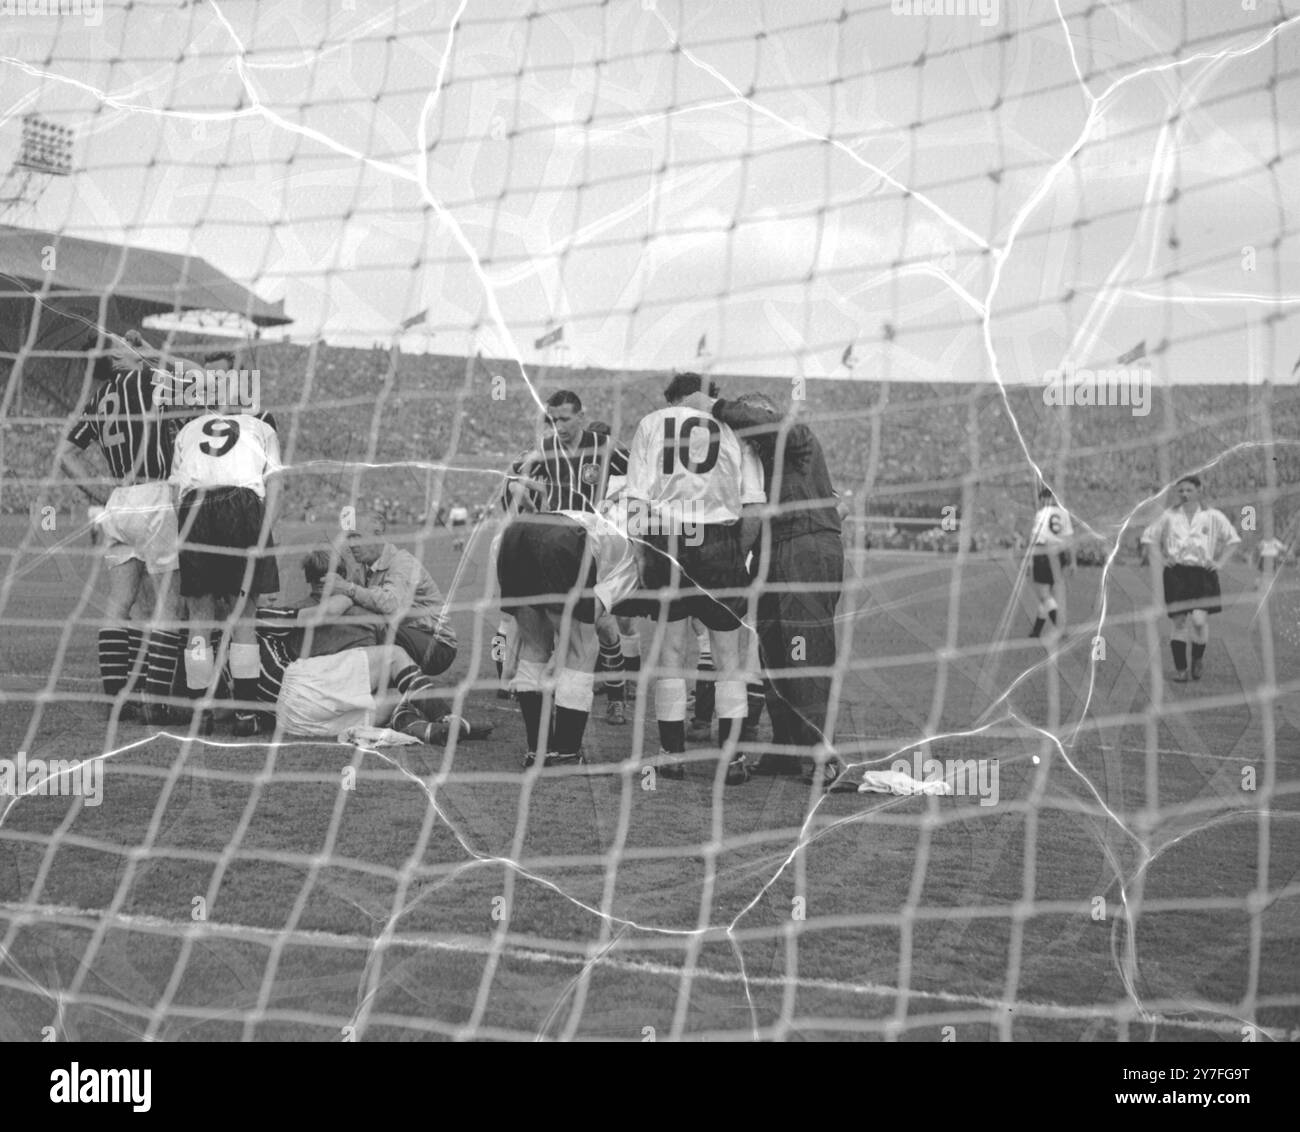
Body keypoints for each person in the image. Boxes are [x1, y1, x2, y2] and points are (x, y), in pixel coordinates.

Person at [615, 375, 766, 785]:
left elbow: (636, 500)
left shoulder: (652, 422)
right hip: (719, 541)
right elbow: (753, 506)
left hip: (668, 540)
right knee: (727, 657)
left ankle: (671, 755)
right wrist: (737, 552)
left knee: (671, 651)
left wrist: (643, 552)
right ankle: (732, 760)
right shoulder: (732, 426)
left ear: (671, 398)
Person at [697, 389, 846, 787]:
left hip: (804, 549)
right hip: (775, 552)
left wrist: (715, 408)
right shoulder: (762, 458)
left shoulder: (796, 436)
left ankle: (820, 756)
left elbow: (767, 426)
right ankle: (785, 750)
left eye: (745, 422)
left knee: (804, 652)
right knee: (774, 654)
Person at [55, 330, 204, 725]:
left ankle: (118, 699)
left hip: (120, 500)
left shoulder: (99, 397)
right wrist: (151, 353)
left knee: (119, 603)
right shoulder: (153, 378)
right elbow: (199, 376)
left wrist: (100, 494)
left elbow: (66, 455)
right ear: (117, 355)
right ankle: (158, 703)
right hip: (157, 494)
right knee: (169, 606)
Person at [508, 395, 636, 725]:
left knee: (604, 625)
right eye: (553, 420)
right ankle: (552, 701)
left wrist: (615, 501)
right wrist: (535, 509)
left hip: (590, 544)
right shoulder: (545, 447)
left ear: (582, 415)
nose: (559, 427)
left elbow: (642, 476)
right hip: (554, 546)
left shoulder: (605, 446)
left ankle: (617, 695)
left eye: (565, 419)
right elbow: (513, 481)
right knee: (548, 627)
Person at [497, 509, 640, 767]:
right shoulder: (633, 566)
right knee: (584, 649)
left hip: (515, 534)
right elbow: (588, 617)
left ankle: (537, 752)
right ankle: (566, 753)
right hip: (562, 542)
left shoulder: (610, 529)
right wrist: (561, 653)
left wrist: (510, 664)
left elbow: (521, 624)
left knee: (534, 647)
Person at [171, 409, 283, 736]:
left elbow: (172, 492)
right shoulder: (262, 427)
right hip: (242, 504)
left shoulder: (188, 428)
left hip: (194, 509)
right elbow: (277, 487)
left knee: (199, 617)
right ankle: (246, 716)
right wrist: (263, 536)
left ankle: (200, 716)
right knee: (244, 616)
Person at [324, 511, 458, 677]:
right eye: (349, 538)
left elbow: (391, 605)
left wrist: (349, 588)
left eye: (357, 537)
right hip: (408, 635)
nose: (351, 545)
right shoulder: (362, 568)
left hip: (437, 646)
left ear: (378, 535)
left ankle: (400, 687)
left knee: (376, 625)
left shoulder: (402, 562)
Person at [1140, 475, 1241, 683]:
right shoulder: (1168, 515)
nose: (1185, 494)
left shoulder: (1212, 515)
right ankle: (1181, 670)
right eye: (1181, 491)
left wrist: (1220, 563)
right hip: (1176, 574)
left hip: (1203, 573)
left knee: (1198, 620)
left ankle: (1197, 659)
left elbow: (1233, 540)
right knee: (1179, 622)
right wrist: (1160, 559)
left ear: (1199, 490)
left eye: (1189, 490)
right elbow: (1149, 538)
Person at [1028, 486, 1074, 638]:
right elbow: (1069, 539)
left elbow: (1035, 538)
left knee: (1044, 595)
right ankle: (1036, 631)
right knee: (1046, 594)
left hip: (1043, 554)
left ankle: (1060, 627)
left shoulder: (1041, 514)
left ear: (1043, 499)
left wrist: (1028, 560)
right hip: (1058, 555)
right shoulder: (1064, 514)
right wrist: (1072, 561)